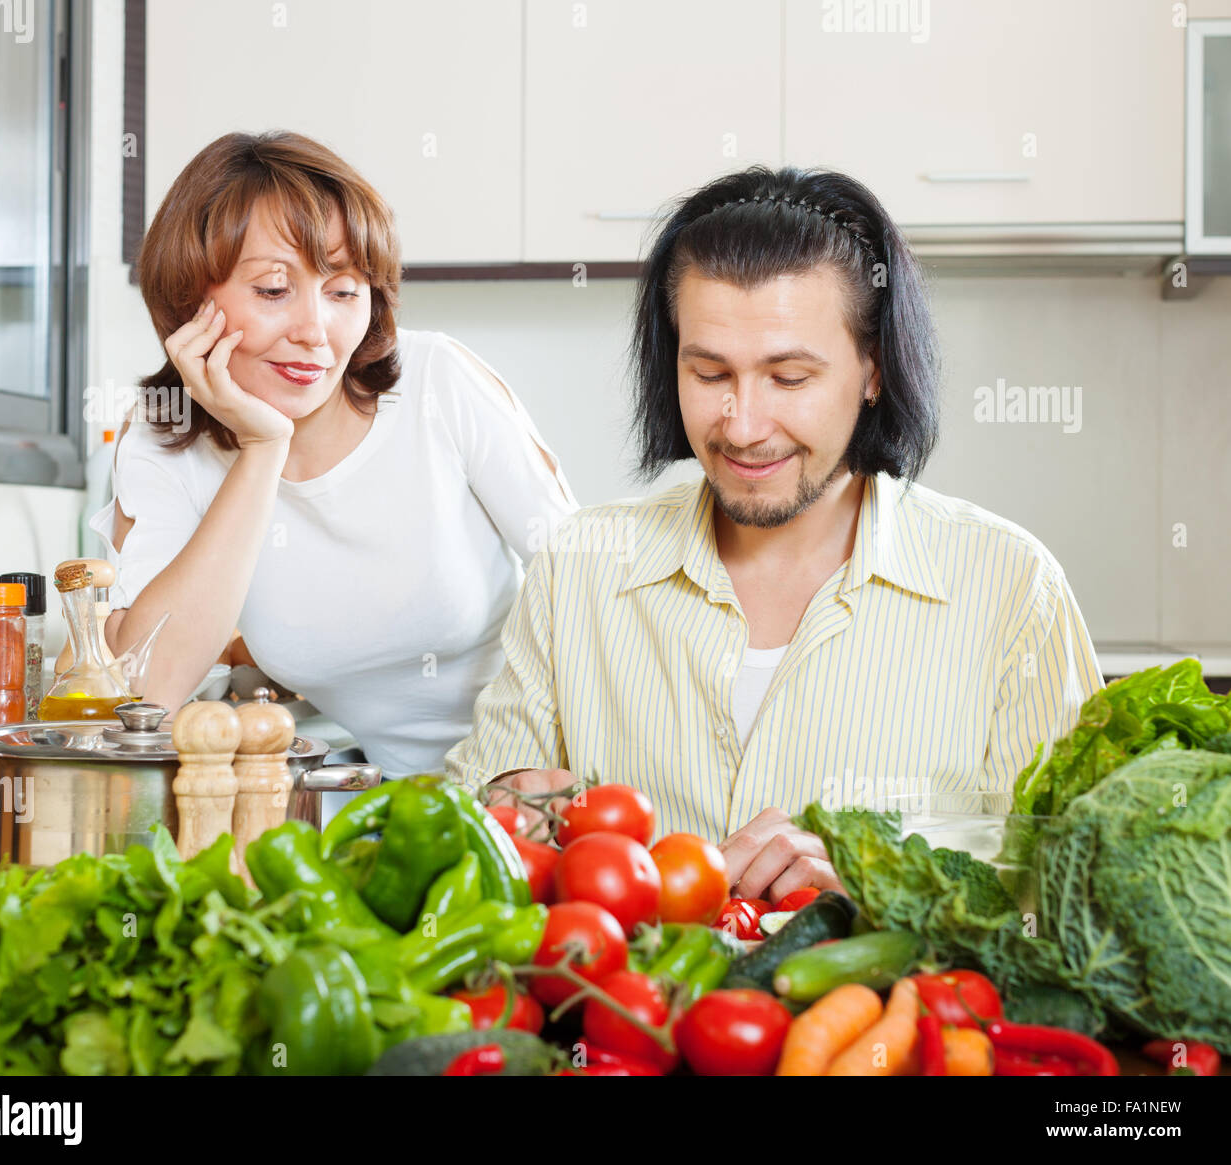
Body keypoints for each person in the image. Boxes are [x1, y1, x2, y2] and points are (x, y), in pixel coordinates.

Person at [446, 165, 1103, 902]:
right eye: (709, 372)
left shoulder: (1012, 588)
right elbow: (475, 826)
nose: (744, 425)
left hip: (889, 1017)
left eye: (789, 378)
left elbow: (1073, 886)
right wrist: (507, 809)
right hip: (629, 1015)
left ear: (873, 370)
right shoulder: (580, 570)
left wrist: (885, 878)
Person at [90, 131, 576, 814]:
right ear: (190, 298)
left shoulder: (438, 382)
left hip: (546, 786)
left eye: (344, 290)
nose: (315, 330)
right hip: (405, 818)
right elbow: (144, 691)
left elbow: (590, 590)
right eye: (274, 289)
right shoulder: (164, 441)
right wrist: (262, 449)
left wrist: (530, 778)